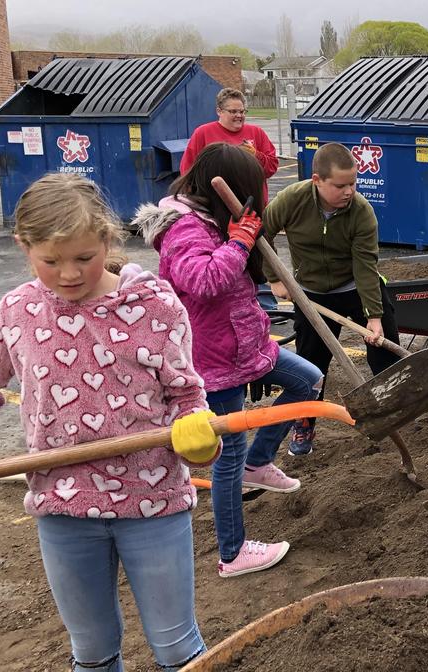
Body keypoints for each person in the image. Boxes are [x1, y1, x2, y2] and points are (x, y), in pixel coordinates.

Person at [0, 173, 218, 671]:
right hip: (62, 508)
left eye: (85, 257)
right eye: (50, 261)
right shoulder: (17, 312)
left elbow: (185, 392)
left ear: (107, 237)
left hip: (153, 502)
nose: (68, 274)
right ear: (24, 247)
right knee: (93, 650)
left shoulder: (154, 307)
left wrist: (196, 430)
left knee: (175, 646)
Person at [137, 143, 321, 576]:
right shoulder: (184, 230)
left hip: (246, 344)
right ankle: (233, 553)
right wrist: (240, 240)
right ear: (228, 189)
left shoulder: (213, 221)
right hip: (213, 358)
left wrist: (242, 237)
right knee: (226, 456)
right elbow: (204, 281)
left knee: (307, 382)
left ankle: (260, 462)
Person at [259, 142, 401, 452]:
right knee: (311, 366)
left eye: (353, 182)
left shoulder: (361, 211)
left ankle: (393, 412)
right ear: (317, 181)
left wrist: (373, 317)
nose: (349, 191)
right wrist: (273, 278)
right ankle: (305, 425)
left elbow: (365, 265)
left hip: (355, 287)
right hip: (311, 294)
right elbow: (260, 234)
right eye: (340, 185)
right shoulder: (292, 200)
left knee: (385, 353)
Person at [180, 87, 280, 311]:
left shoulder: (256, 134)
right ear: (219, 111)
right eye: (233, 111)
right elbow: (188, 171)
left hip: (252, 212)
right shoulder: (203, 134)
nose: (239, 116)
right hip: (216, 214)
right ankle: (231, 302)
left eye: (242, 111)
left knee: (259, 258)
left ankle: (265, 306)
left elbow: (272, 166)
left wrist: (256, 156)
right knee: (227, 258)